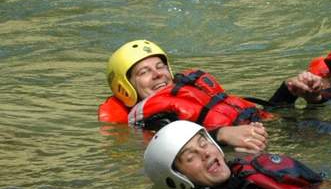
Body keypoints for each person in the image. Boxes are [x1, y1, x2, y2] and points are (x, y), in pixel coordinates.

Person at [100, 39, 270, 154]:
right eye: (144, 72)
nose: (157, 74)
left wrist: (288, 91)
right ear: (125, 87)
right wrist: (223, 134)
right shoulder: (151, 120)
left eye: (160, 66)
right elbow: (180, 147)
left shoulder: (192, 90)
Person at [143, 120, 323, 189]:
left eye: (204, 143)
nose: (205, 153)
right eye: (191, 157)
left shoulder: (261, 169)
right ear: (178, 178)